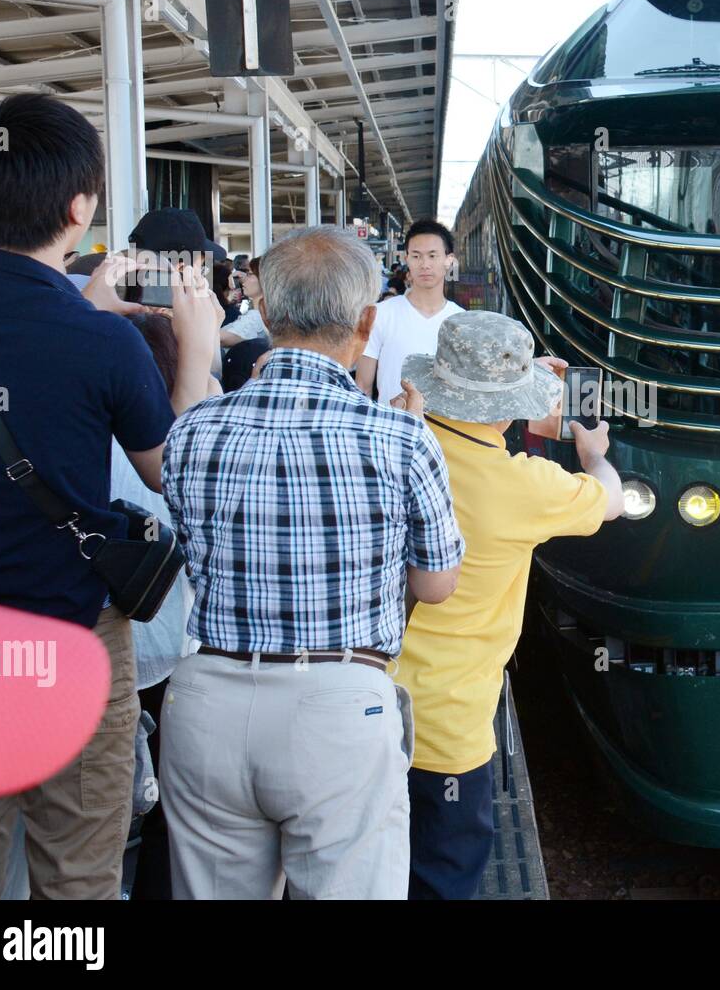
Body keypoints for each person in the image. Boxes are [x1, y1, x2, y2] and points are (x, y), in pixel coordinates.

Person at [0, 92, 221, 901]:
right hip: (71, 643)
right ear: (79, 206)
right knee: (76, 878)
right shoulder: (99, 339)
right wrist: (196, 352)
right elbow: (173, 473)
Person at [159, 225, 465, 900]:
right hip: (339, 707)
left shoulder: (194, 430)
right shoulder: (400, 437)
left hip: (207, 699)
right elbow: (438, 585)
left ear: (264, 312)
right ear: (364, 321)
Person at [394, 311, 624, 899]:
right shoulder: (527, 487)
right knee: (443, 876)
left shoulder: (395, 438)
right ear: (512, 407)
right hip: (449, 726)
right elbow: (610, 503)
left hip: (363, 704)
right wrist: (593, 452)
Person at [355, 219, 462, 402]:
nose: (424, 264)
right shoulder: (379, 315)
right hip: (390, 428)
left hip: (445, 431)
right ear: (407, 260)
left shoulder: (461, 321)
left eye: (432, 255)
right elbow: (363, 387)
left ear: (449, 261)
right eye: (416, 256)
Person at [220, 254, 267, 348]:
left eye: (249, 274)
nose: (244, 279)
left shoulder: (256, 317)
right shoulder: (264, 315)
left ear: (264, 280)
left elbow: (220, 339)